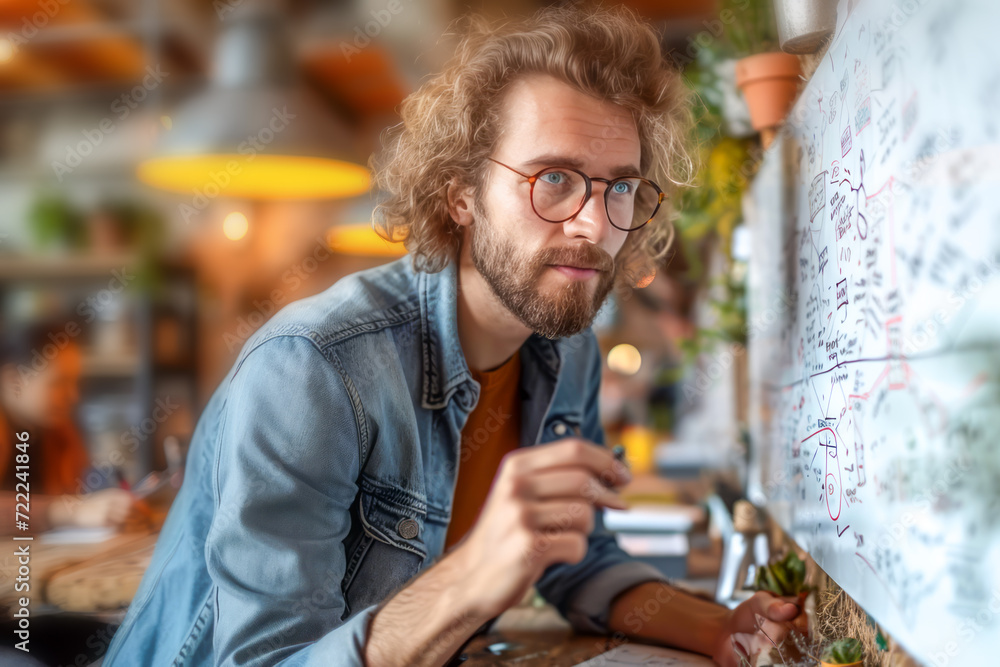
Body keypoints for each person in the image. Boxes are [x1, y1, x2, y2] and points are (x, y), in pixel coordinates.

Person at [105, 6, 805, 666]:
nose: (595, 226)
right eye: (554, 178)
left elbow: (580, 559)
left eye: (619, 188)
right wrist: (472, 577)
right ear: (460, 194)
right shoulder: (314, 368)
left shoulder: (568, 352)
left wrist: (720, 625)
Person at [0, 319, 136, 535]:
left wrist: (114, 506)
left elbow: (78, 493)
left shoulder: (58, 430)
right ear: (12, 379)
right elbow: (70, 508)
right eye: (59, 383)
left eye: (74, 382)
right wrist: (64, 512)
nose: (73, 396)